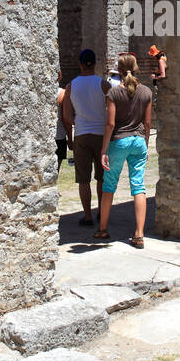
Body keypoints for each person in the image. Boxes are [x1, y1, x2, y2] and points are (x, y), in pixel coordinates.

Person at [98, 53, 153, 247]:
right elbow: (147, 122)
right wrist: (145, 143)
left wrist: (104, 150)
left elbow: (110, 124)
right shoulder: (146, 92)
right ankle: (139, 234)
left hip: (119, 141)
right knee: (138, 186)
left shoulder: (113, 93)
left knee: (109, 186)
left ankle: (103, 229)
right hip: (138, 141)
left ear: (118, 71)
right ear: (136, 68)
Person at [60, 49, 109, 229]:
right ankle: (101, 212)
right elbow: (111, 110)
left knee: (83, 179)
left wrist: (79, 122)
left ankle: (87, 215)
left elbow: (66, 116)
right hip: (101, 135)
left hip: (81, 133)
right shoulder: (104, 85)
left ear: (80, 64)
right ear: (95, 63)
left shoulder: (71, 86)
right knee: (102, 177)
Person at [55, 71, 68, 174]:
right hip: (59, 134)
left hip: (48, 135)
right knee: (58, 161)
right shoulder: (62, 93)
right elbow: (65, 117)